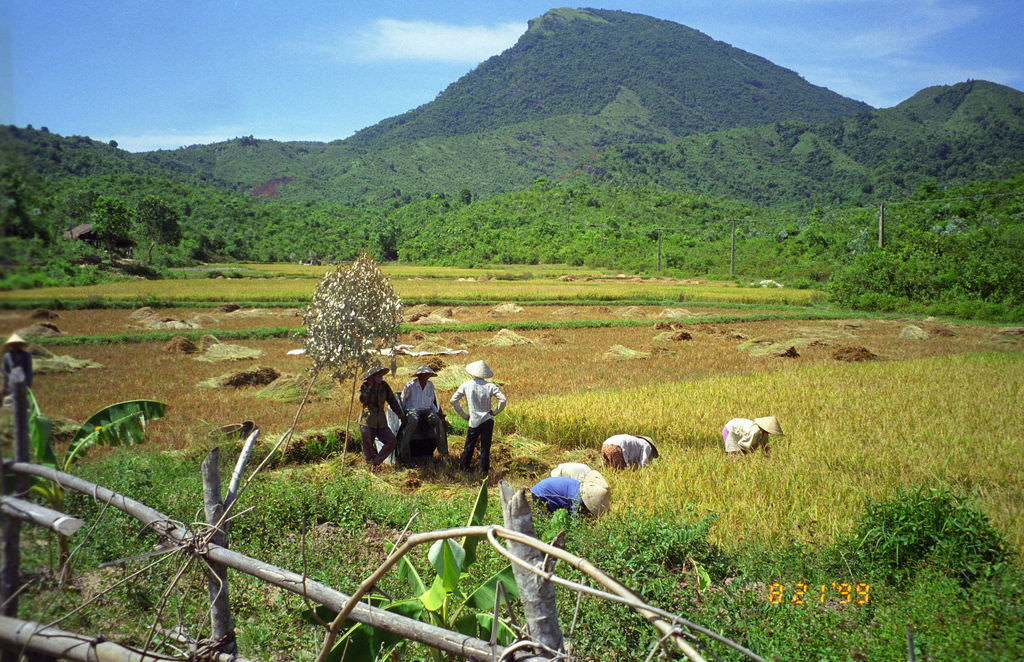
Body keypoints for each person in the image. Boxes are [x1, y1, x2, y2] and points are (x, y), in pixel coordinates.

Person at [450, 360, 506, 474]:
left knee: (469, 446)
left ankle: (463, 468)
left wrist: (464, 415)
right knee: (485, 447)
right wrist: (495, 412)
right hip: (487, 420)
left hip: (474, 420)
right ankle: (483, 471)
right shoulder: (490, 386)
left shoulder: (466, 385)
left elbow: (453, 400)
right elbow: (503, 400)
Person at [358, 365, 406, 471]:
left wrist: (401, 415)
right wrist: (370, 386)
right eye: (377, 375)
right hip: (367, 420)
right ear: (372, 377)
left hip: (381, 421)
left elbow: (392, 401)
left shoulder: (384, 386)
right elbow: (362, 400)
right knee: (368, 446)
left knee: (391, 441)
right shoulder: (364, 386)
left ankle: (376, 462)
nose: (380, 377)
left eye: (381, 375)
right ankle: (369, 468)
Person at [399, 365, 449, 461]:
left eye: (427, 375)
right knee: (413, 421)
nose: (425, 377)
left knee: (437, 421)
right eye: (423, 375)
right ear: (418, 376)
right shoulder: (410, 385)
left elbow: (431, 402)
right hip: (412, 409)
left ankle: (443, 451)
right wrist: (403, 415)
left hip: (426, 409)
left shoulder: (430, 385)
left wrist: (437, 412)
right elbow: (403, 400)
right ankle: (405, 453)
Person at [530, 469, 609, 516]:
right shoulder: (577, 500)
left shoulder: (581, 489)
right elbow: (574, 522)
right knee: (544, 520)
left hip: (547, 488)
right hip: (541, 493)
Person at [2, 333, 33, 407]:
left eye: (16, 344)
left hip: (23, 382)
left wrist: (28, 384)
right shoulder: (7, 356)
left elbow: (29, 371)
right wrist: (4, 385)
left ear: (19, 344)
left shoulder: (26, 355)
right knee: (10, 402)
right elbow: (5, 372)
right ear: (11, 345)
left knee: (22, 402)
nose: (15, 345)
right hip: (11, 383)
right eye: (13, 344)